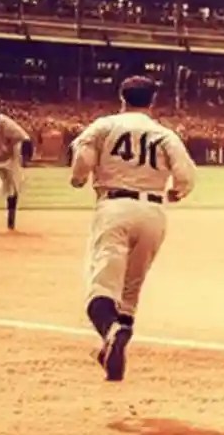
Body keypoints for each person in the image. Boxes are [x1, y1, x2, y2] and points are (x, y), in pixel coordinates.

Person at [70, 76, 197, 382]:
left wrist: (78, 178)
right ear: (152, 101)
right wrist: (178, 191)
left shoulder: (103, 126)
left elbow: (82, 162)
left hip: (114, 206)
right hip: (153, 212)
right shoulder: (164, 134)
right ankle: (113, 345)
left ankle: (112, 331)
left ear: (121, 97)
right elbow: (185, 175)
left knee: (101, 287)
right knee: (130, 291)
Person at [0, 97, 32, 230]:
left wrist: (25, 159)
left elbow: (26, 139)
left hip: (10, 159)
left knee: (13, 189)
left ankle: (11, 220)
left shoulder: (7, 124)